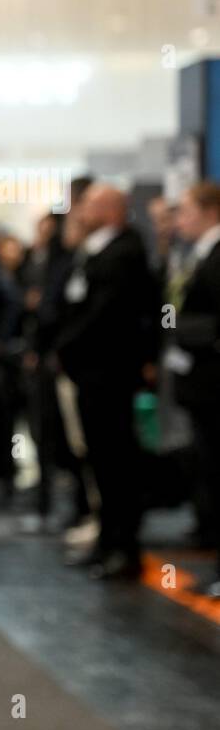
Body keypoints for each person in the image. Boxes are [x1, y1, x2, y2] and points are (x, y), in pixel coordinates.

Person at [54, 184, 158, 580]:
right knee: (99, 459)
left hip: (110, 372)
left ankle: (123, 546)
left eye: (93, 205)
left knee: (117, 461)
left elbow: (104, 314)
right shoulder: (92, 250)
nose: (82, 211)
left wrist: (67, 344)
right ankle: (107, 540)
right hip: (89, 371)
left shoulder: (125, 252)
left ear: (115, 210)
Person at [170, 181, 220, 598]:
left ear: (208, 210)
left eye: (184, 209)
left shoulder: (215, 254)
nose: (178, 219)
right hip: (200, 386)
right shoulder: (197, 253)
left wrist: (187, 332)